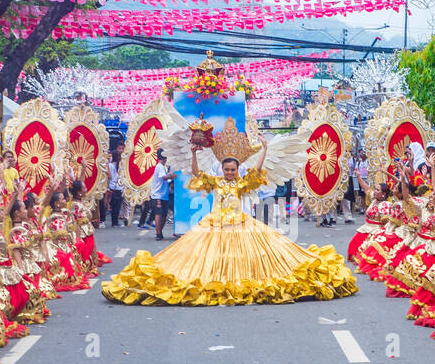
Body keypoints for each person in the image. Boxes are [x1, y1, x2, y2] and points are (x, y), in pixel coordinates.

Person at [102, 129, 357, 306]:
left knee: (246, 260)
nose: (230, 172)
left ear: (238, 170)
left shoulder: (241, 183)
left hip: (240, 224)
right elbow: (195, 173)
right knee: (209, 260)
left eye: (233, 169)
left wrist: (264, 151)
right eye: (227, 169)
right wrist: (192, 154)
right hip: (215, 225)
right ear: (221, 169)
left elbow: (257, 172)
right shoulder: (215, 181)